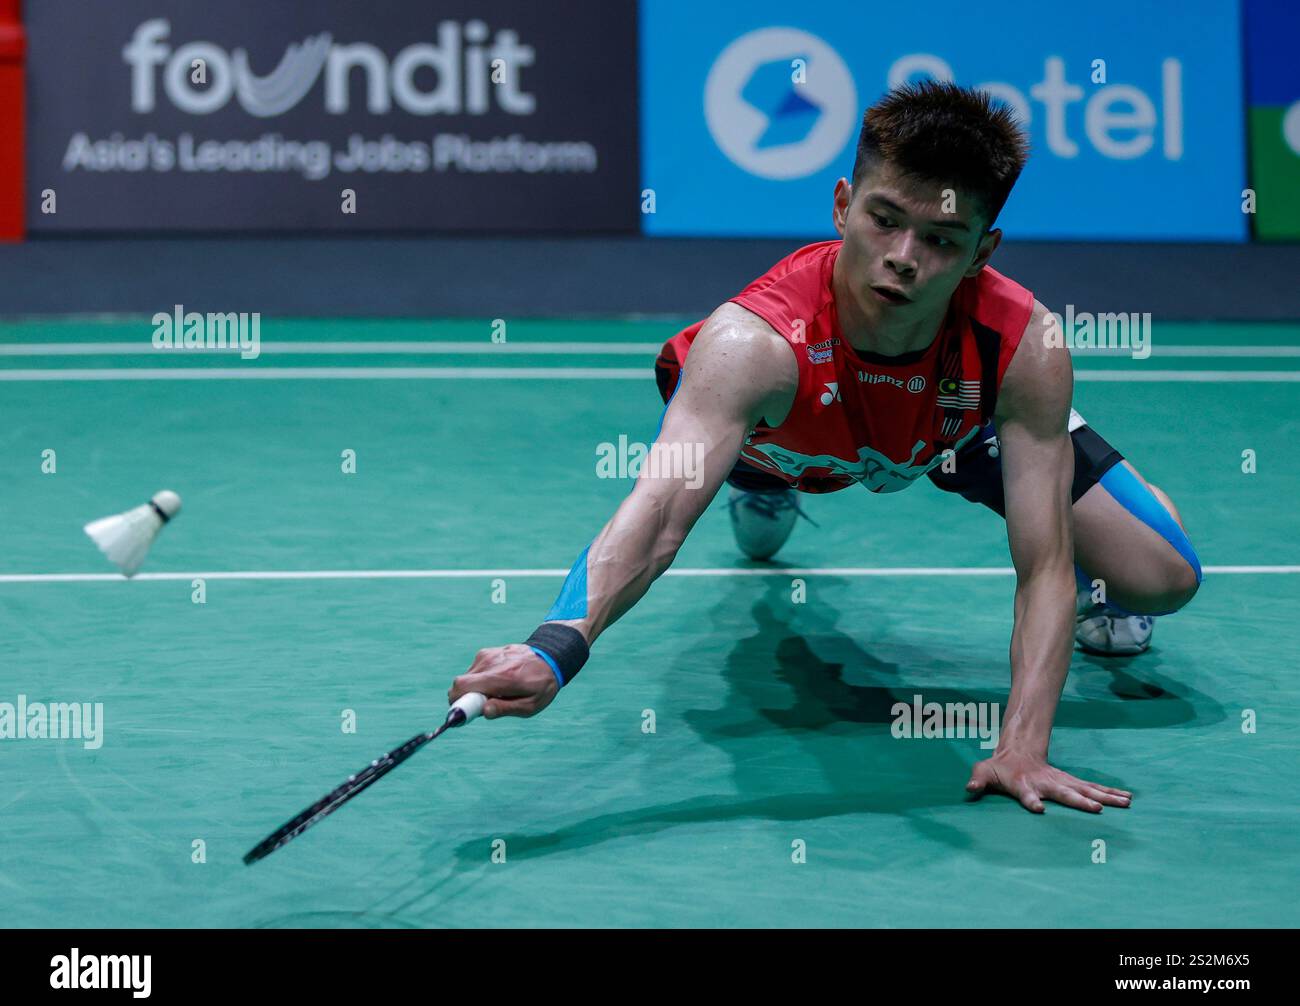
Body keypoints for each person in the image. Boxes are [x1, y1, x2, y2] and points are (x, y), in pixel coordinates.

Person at [449, 80, 1202, 814]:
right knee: (739, 459)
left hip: (957, 425)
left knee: (1166, 576)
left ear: (982, 250)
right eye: (884, 219)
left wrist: (1022, 748)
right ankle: (760, 481)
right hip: (783, 432)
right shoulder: (752, 345)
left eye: (941, 240)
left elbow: (1041, 563)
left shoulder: (1025, 345)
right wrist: (555, 646)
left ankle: (1100, 576)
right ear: (843, 205)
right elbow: (656, 517)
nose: (904, 257)